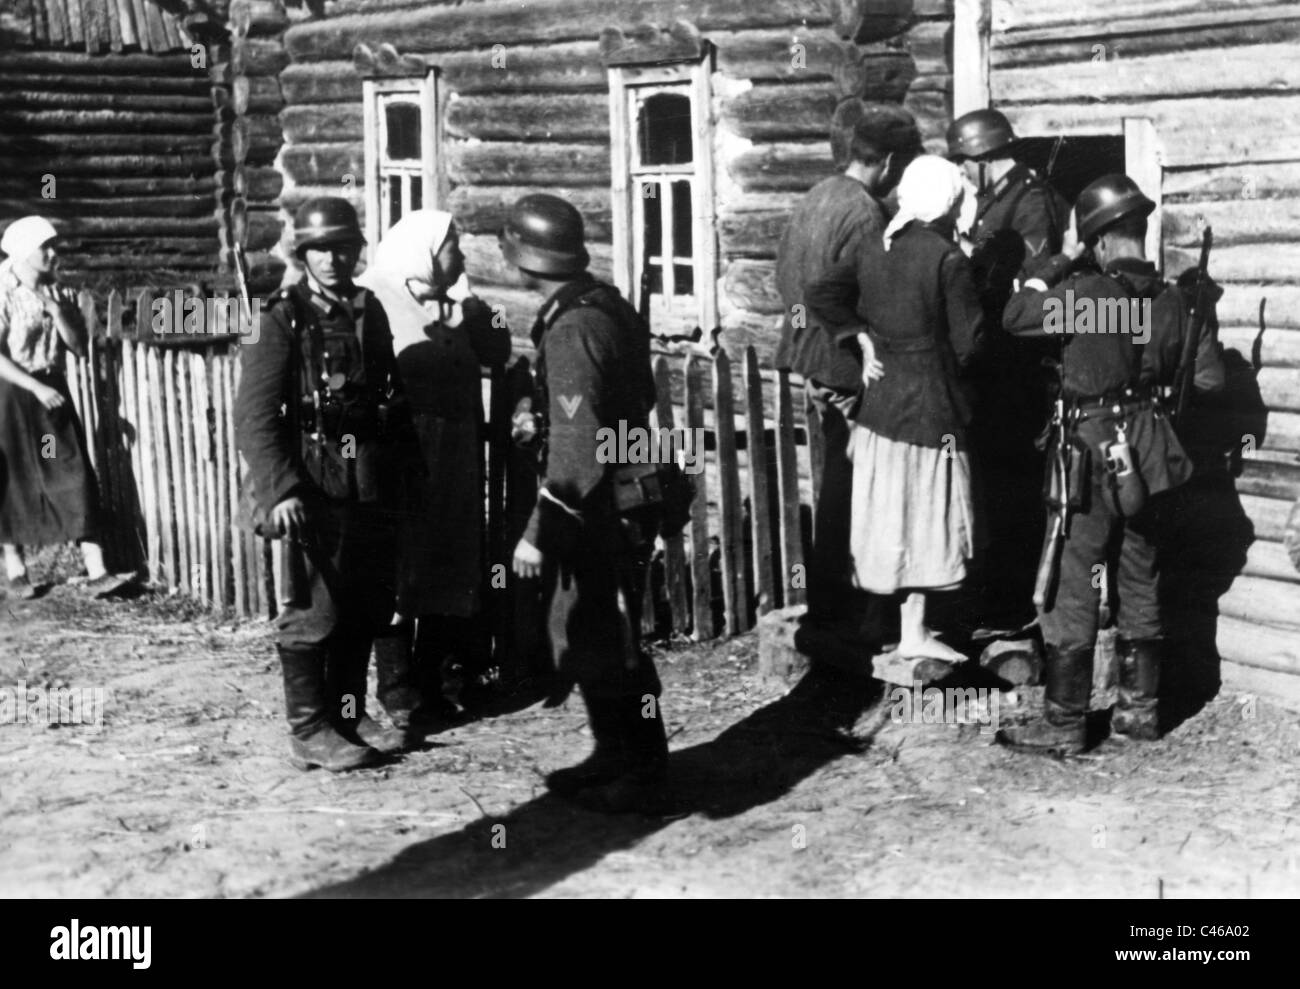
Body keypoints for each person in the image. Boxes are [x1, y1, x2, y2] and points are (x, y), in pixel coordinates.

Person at [995, 174, 1225, 755]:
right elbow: (1208, 380)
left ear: (1097, 242)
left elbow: (1017, 314)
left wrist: (1059, 259)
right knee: (1140, 576)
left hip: (1091, 455)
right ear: (1139, 234)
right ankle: (1139, 713)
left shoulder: (1089, 298)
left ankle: (1065, 722)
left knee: (1074, 582)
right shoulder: (1174, 302)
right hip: (1151, 455)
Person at [500, 193, 668, 814]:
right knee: (589, 629)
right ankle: (615, 753)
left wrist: (537, 531)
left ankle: (645, 771)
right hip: (617, 495)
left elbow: (578, 446)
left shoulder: (573, 327)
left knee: (610, 637)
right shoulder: (599, 304)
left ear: (523, 257)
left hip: (602, 505)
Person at [234, 197, 408, 772]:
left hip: (368, 479)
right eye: (319, 249)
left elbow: (390, 396)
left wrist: (406, 475)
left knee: (362, 604)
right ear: (302, 254)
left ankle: (348, 712)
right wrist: (280, 490)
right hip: (314, 482)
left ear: (358, 251)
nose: (333, 259)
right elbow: (255, 416)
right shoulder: (280, 319)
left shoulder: (369, 309)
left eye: (343, 247)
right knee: (314, 608)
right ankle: (308, 730)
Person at [805, 156, 986, 668]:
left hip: (881, 405)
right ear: (949, 202)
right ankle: (913, 632)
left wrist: (860, 336)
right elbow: (969, 343)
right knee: (925, 516)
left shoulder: (875, 245)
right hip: (932, 408)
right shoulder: (948, 260)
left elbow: (820, 293)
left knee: (886, 513)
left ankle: (872, 621)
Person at [360, 209, 511, 729]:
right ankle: (397, 689)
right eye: (456, 247)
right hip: (405, 451)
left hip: (456, 452)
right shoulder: (373, 295)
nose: (462, 257)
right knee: (402, 565)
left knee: (449, 560)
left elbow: (500, 348)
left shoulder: (454, 304)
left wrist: (473, 303)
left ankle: (436, 679)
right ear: (425, 250)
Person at [774, 99, 921, 625]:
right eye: (900, 168)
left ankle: (832, 607)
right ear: (885, 163)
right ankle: (855, 612)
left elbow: (788, 280)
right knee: (860, 488)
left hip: (812, 359)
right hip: (846, 368)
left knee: (835, 479)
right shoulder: (864, 212)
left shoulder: (816, 196)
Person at [948, 108, 1071, 639]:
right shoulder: (1000, 200)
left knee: (1015, 489)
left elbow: (1032, 284)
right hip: (993, 366)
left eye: (965, 162)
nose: (962, 172)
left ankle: (1014, 606)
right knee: (993, 486)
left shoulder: (1032, 201)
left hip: (1018, 368)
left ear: (984, 159)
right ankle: (995, 596)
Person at [0, 216, 130, 600]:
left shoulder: (60, 293)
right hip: (12, 395)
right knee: (15, 477)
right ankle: (16, 568)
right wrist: (34, 387)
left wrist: (57, 313)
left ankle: (97, 571)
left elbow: (78, 348)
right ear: (25, 252)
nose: (54, 255)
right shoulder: (3, 292)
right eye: (46, 248)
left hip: (51, 394)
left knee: (68, 470)